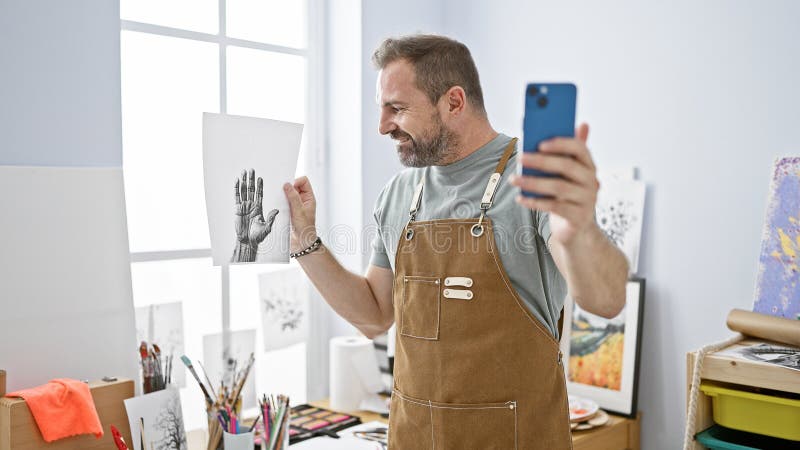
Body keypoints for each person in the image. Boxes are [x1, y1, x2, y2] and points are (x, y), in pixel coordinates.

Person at [283, 34, 628, 449]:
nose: (382, 126)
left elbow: (607, 301)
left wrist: (580, 229)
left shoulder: (532, 182)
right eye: (382, 108)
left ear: (454, 102)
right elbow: (374, 315)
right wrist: (306, 242)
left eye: (397, 108)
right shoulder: (398, 194)